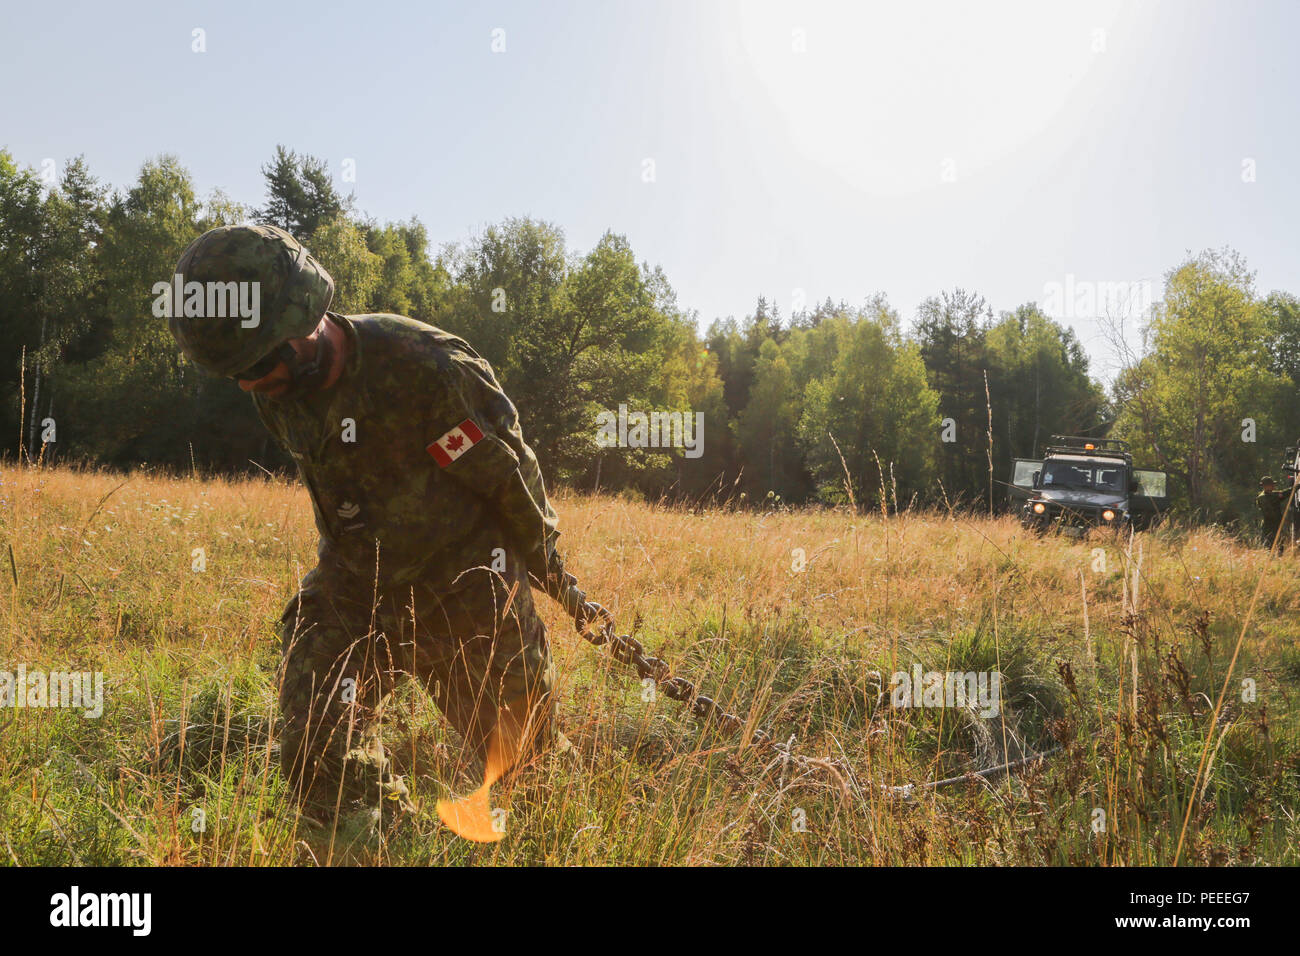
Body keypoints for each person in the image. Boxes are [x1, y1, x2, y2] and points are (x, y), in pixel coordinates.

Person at [167, 224, 596, 828]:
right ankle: (380, 836)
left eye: (258, 363)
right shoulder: (277, 385)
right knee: (313, 749)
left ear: (305, 319)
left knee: (532, 771)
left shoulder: (427, 370)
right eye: (235, 372)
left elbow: (508, 479)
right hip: (356, 586)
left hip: (465, 583)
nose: (249, 384)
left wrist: (549, 568)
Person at [1256, 476, 1288, 553]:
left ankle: (1279, 563)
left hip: (1276, 526)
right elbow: (1279, 495)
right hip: (1269, 527)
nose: (1274, 486)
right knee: (1270, 548)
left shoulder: (1272, 495)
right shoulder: (1262, 497)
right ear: (1265, 486)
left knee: (1280, 547)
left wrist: (1295, 487)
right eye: (1271, 484)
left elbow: (1283, 494)